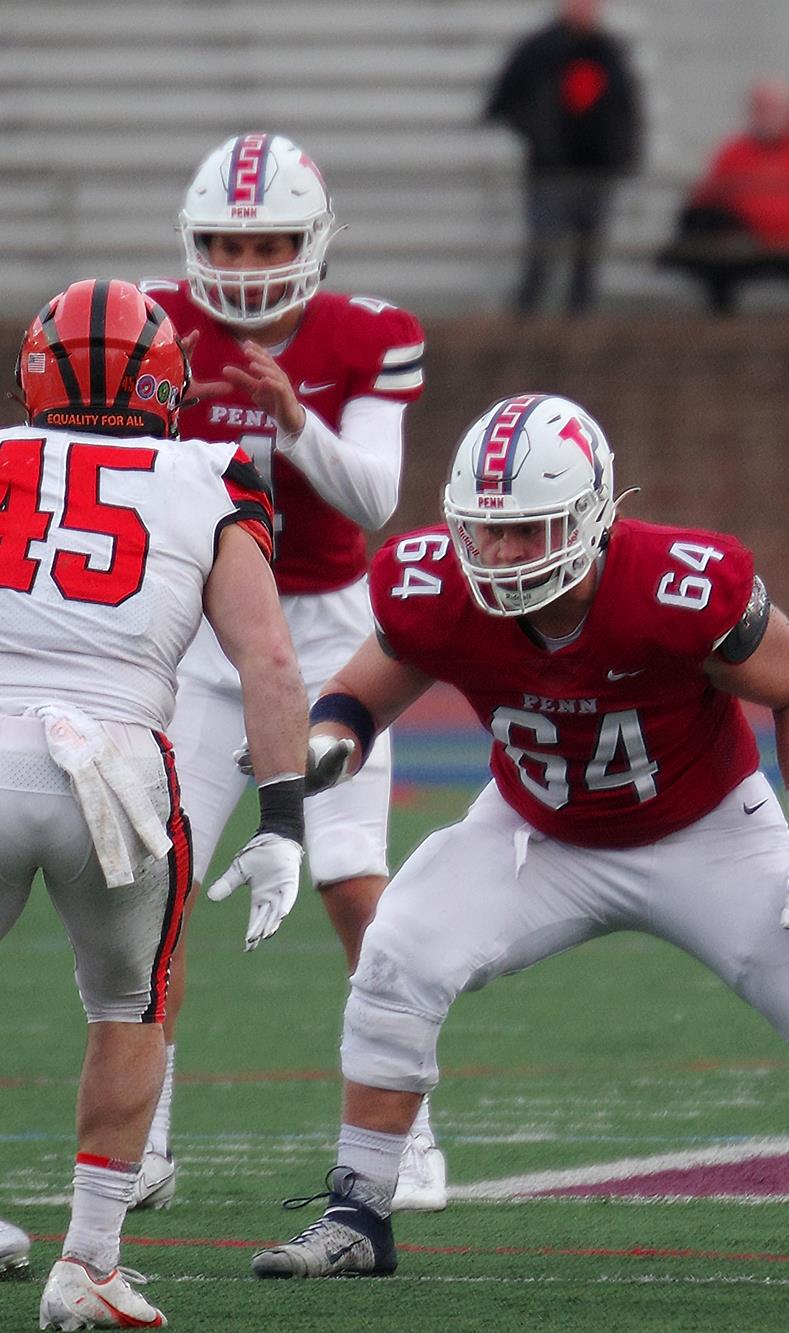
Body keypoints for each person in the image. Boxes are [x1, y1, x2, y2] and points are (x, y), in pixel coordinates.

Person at [248, 394, 789, 1278]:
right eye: (487, 532)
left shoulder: (676, 584)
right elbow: (358, 695)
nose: (504, 554)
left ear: (595, 514)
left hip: (708, 829)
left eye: (531, 530)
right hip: (539, 829)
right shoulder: (439, 586)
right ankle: (358, 1214)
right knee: (399, 946)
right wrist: (329, 749)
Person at [136, 131, 439, 1214]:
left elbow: (372, 503)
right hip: (206, 642)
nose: (247, 261)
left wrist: (292, 419)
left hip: (327, 641)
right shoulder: (153, 321)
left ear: (310, 241)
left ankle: (410, 1134)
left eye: (267, 239)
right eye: (225, 239)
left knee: (354, 881)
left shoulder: (365, 334)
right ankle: (142, 1142)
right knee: (151, 890)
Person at [4, 279, 307, 1330]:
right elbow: (266, 656)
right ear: (167, 380)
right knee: (130, 1004)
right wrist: (283, 817)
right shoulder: (213, 474)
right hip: (121, 767)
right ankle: (87, 1261)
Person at [484, 0, 643, 315]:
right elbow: (501, 103)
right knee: (543, 253)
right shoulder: (538, 50)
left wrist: (622, 154)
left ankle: (579, 328)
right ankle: (524, 323)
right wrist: (538, 135)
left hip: (597, 172)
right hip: (550, 174)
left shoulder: (609, 51)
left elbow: (626, 107)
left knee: (587, 258)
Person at [661, 77, 789, 316]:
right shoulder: (734, 152)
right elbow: (704, 199)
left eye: (772, 108)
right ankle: (721, 333)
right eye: (759, 108)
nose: (765, 116)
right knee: (716, 263)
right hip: (750, 248)